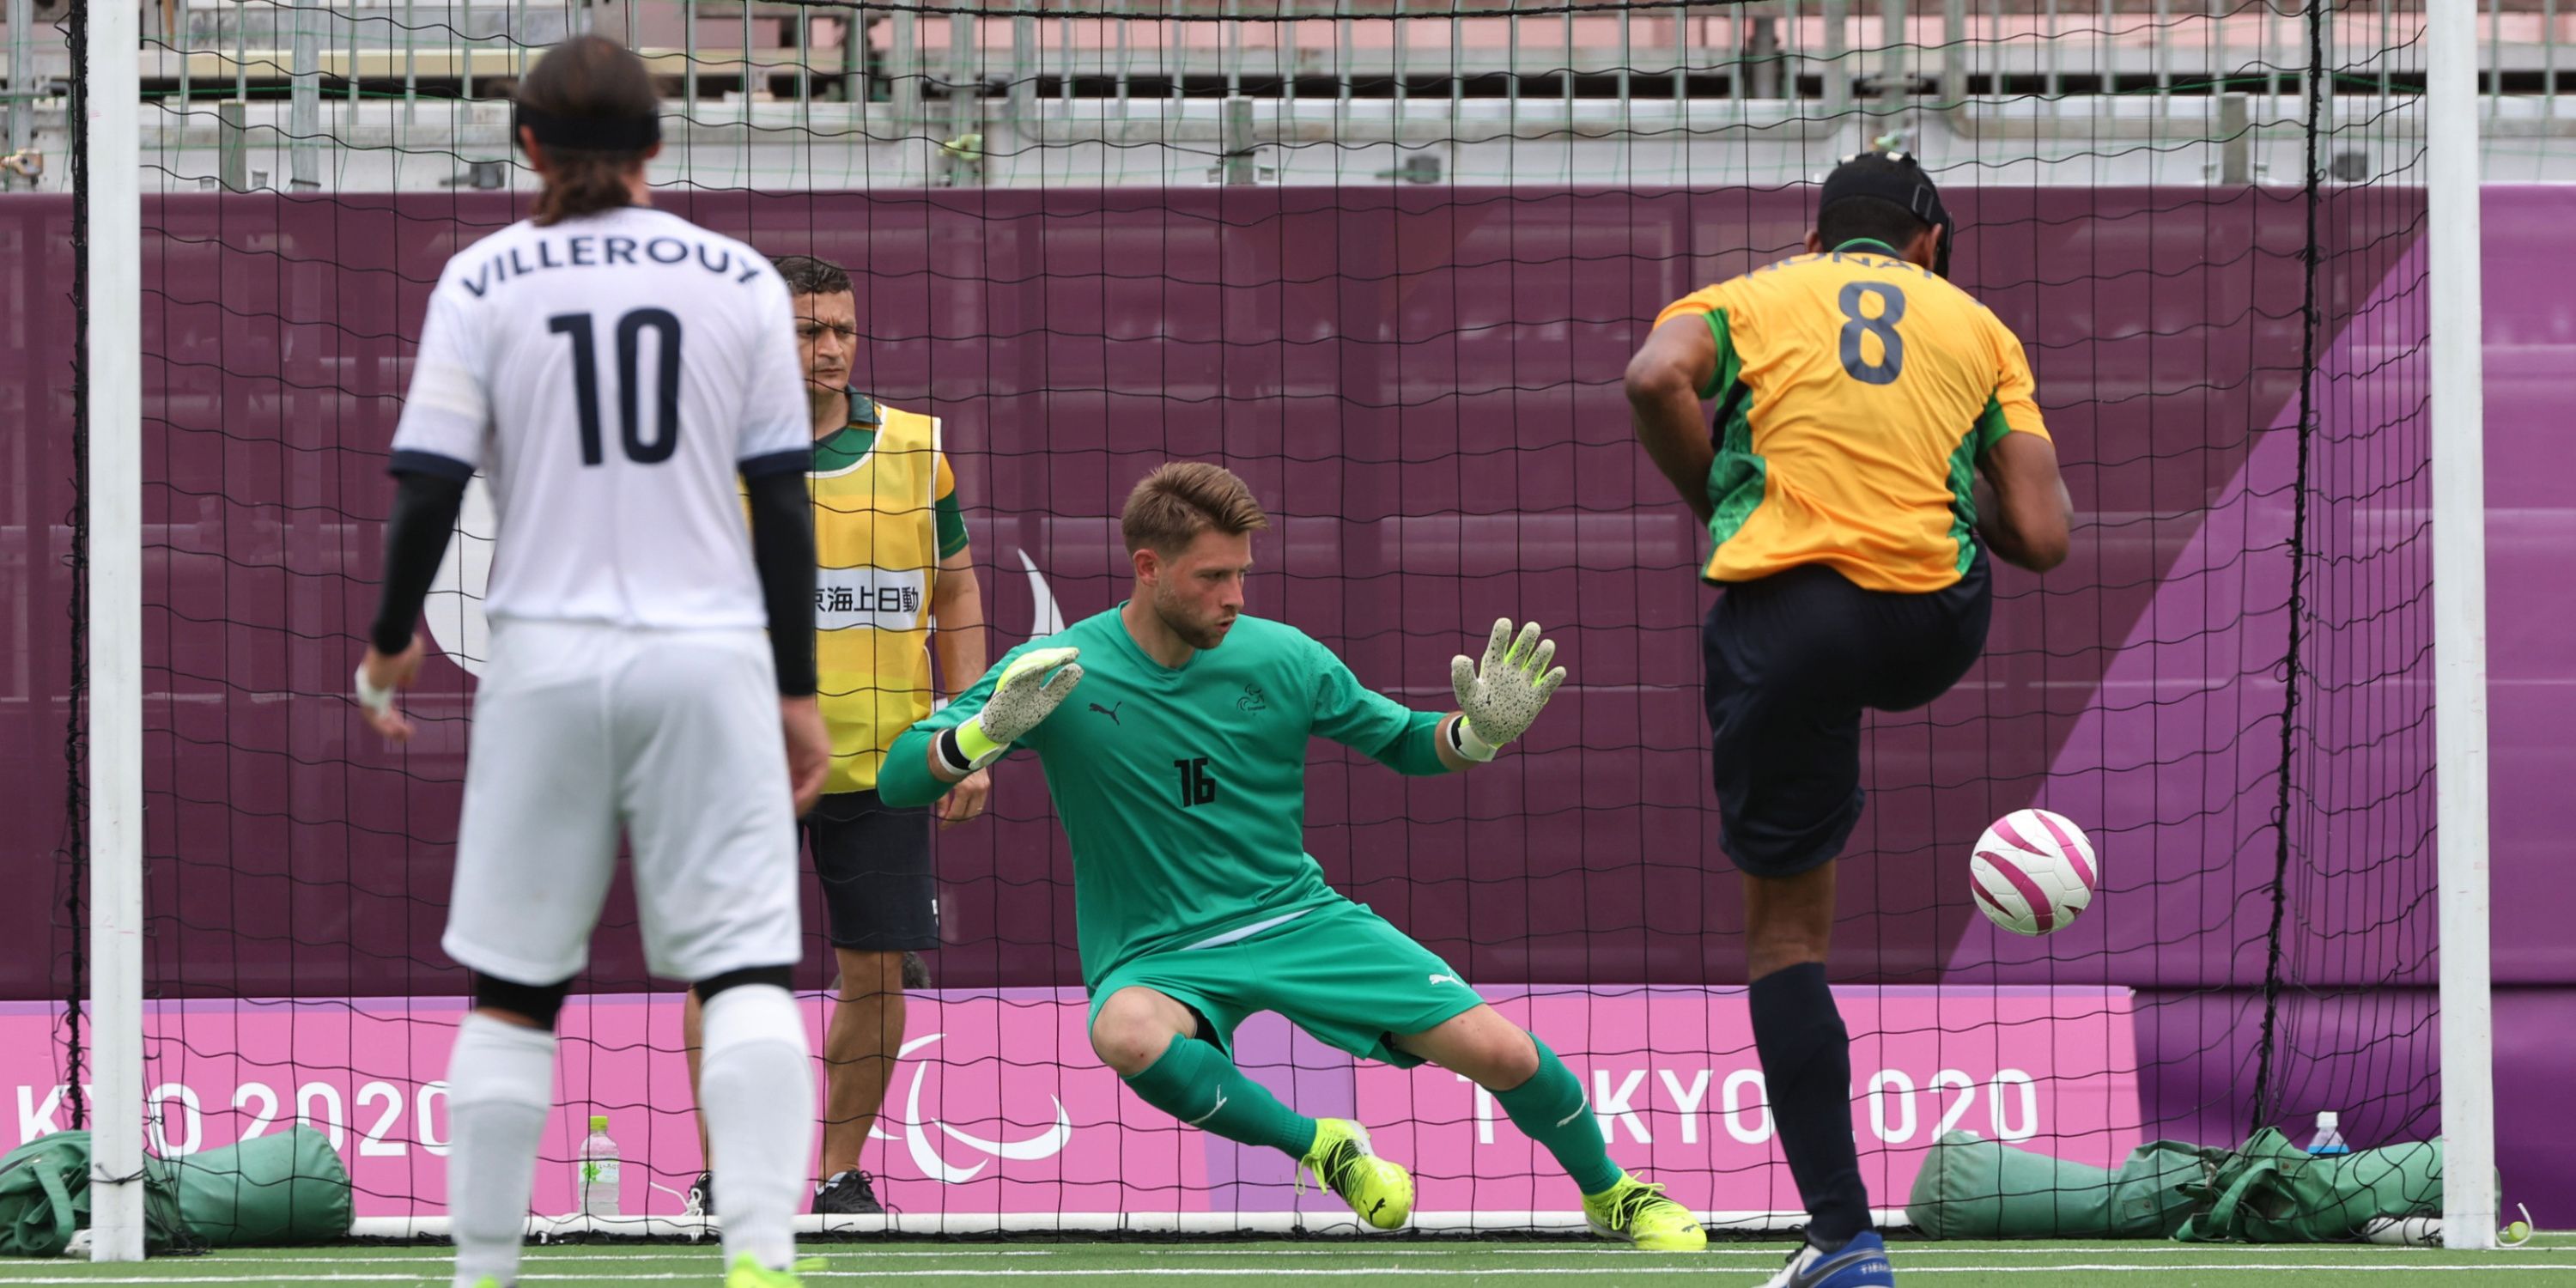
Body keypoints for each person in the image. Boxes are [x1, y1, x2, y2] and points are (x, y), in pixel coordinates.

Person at [874, 462, 1709, 1251]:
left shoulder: (1285, 656)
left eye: (1242, 574)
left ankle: (1614, 1193)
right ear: (1148, 568)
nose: (1234, 596)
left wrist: (1478, 734)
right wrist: (983, 732)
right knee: (1124, 1033)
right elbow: (897, 777)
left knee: (1507, 1055)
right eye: (1212, 577)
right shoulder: (1061, 672)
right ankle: (1324, 1147)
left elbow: (1408, 742)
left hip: (1298, 918)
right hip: (1156, 949)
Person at [351, 35, 831, 1288]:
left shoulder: (482, 278)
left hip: (547, 662)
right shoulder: (738, 280)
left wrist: (391, 643)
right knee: (745, 968)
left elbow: (427, 487)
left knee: (513, 988)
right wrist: (794, 691)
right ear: (657, 146)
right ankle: (763, 1255)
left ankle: (483, 1271)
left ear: (527, 145)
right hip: (707, 657)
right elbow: (784, 506)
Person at [1623, 151, 2073, 1288]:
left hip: (1791, 621)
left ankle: (1844, 1240)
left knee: (1785, 937)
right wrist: (1941, 462)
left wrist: (1722, 502)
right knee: (1874, 646)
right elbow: (2043, 535)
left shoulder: (1748, 298)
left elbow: (1654, 377)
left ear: (1819, 239)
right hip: (1933, 621)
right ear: (1931, 244)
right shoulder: (1981, 329)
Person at [681, 253, 990, 1218]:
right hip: (744, 763)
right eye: (807, 330)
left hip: (888, 764)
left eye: (842, 330)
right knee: (728, 971)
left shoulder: (915, 448)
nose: (830, 348)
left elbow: (957, 593)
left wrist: (968, 733)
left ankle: (842, 1174)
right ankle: (729, 1175)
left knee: (881, 971)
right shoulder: (711, 452)